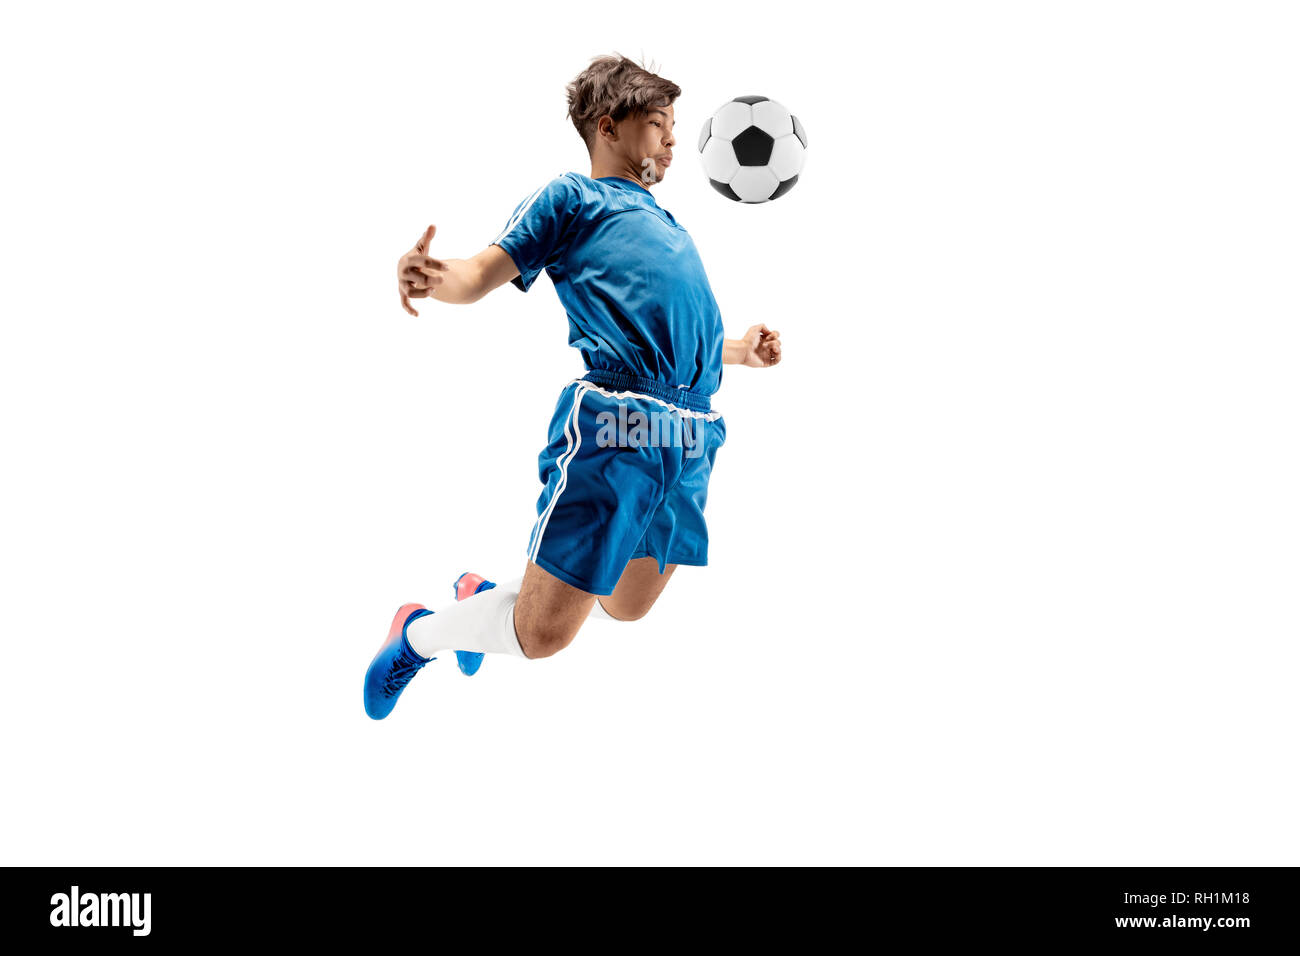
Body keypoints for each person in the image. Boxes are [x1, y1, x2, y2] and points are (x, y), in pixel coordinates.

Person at [365, 53, 782, 719]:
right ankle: (417, 635)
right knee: (544, 635)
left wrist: (739, 352)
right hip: (621, 423)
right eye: (659, 124)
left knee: (629, 602)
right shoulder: (574, 199)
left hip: (692, 430)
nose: (673, 140)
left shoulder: (669, 223)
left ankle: (485, 598)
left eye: (674, 126)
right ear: (608, 126)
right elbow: (478, 273)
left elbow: (670, 333)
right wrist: (436, 278)